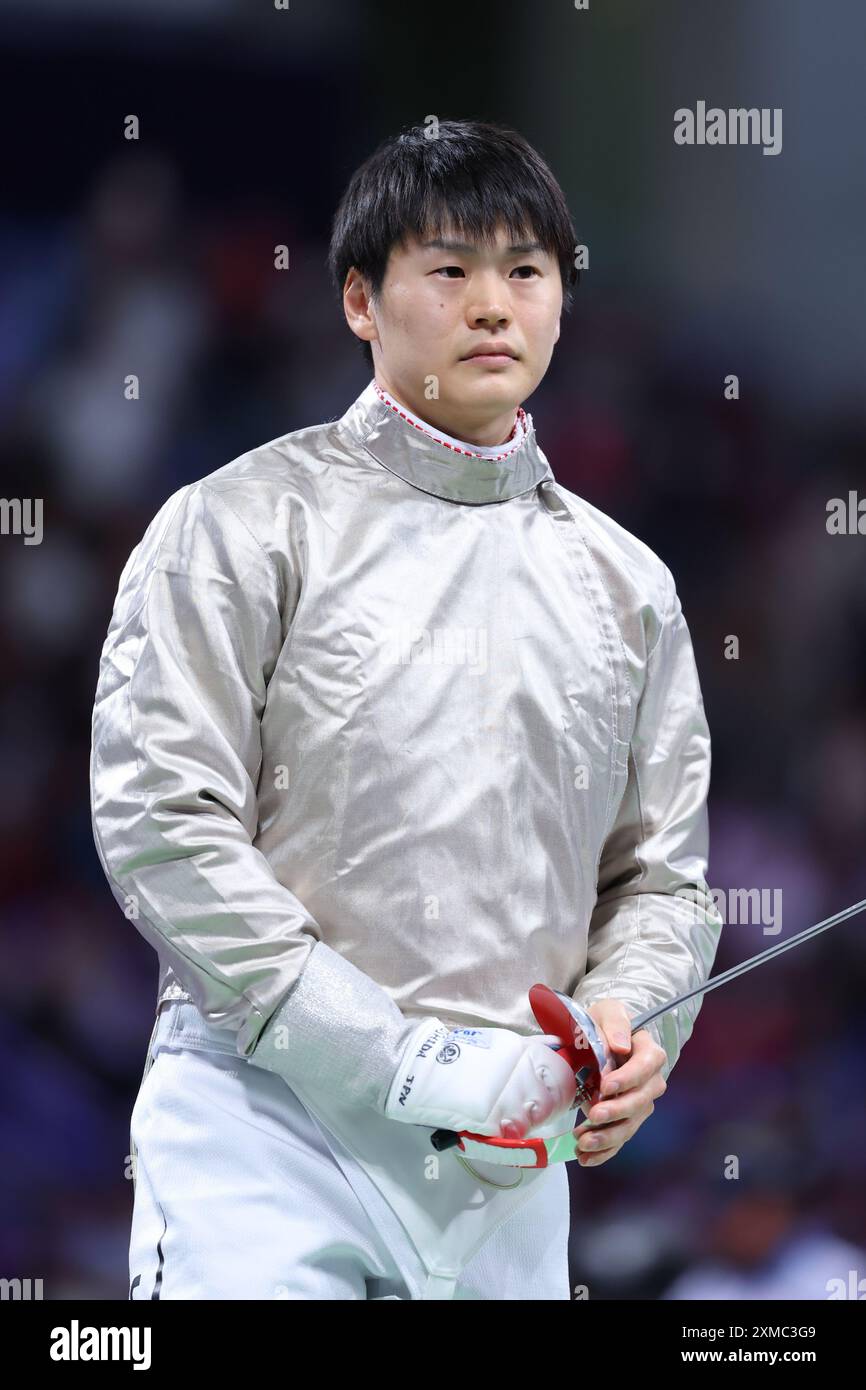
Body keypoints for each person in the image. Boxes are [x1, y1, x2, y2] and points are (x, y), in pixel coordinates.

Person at [90, 118, 723, 1301]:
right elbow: (163, 823)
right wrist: (401, 1064)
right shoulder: (234, 525)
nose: (493, 305)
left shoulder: (626, 585)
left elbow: (661, 882)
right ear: (358, 303)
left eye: (524, 273)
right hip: (262, 1133)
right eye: (449, 270)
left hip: (509, 1159)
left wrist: (632, 1022)